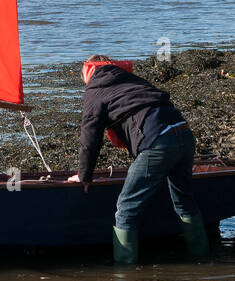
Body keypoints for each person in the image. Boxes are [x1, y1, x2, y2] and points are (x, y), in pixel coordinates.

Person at [67, 55, 208, 264]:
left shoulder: (95, 90)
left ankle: (125, 275)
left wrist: (84, 176)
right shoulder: (132, 80)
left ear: (88, 72)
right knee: (184, 201)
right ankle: (202, 259)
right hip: (184, 134)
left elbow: (90, 137)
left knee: (126, 208)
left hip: (157, 143)